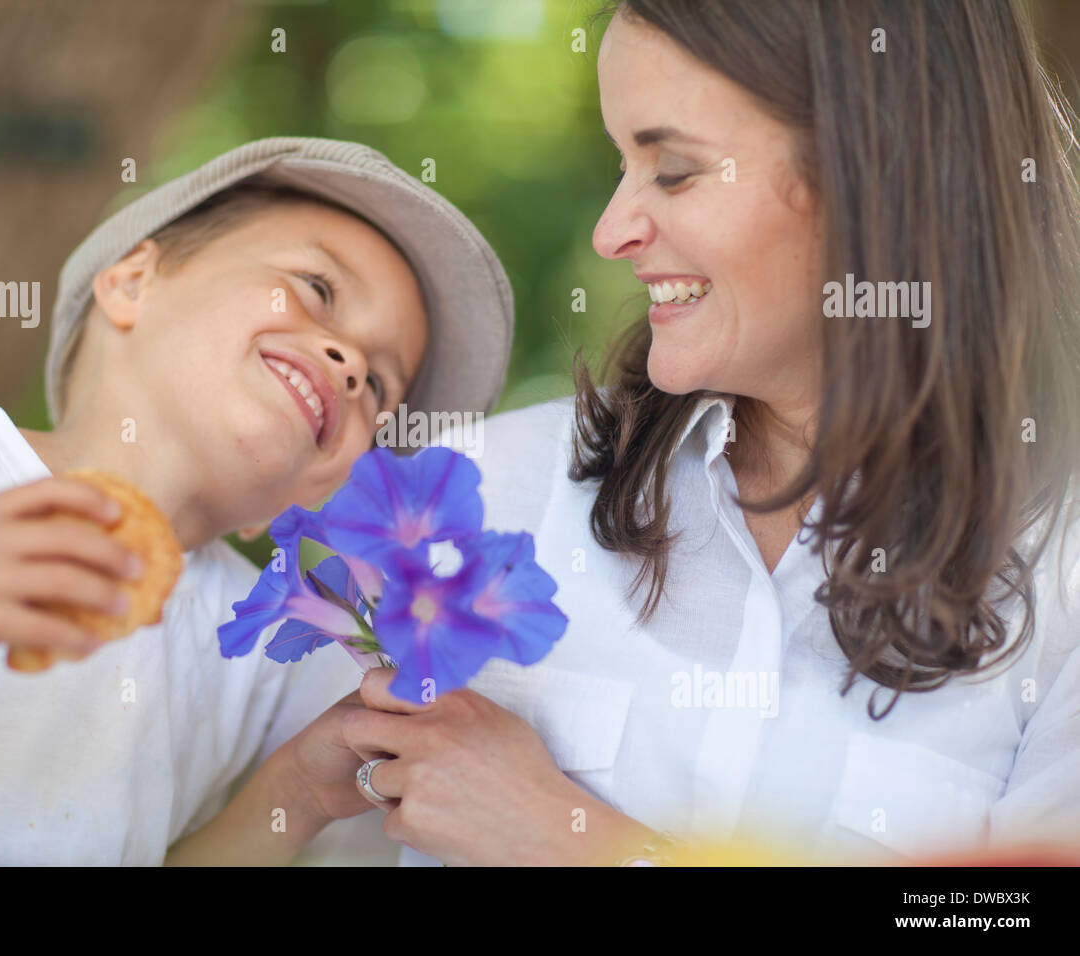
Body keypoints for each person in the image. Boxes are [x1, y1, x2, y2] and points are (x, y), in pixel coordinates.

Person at [253, 0, 1080, 866]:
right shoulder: (483, 492)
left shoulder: (1055, 589)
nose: (613, 232)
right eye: (622, 163)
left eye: (675, 170)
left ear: (879, 171)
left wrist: (577, 841)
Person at [0, 137, 514, 865]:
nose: (352, 363)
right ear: (132, 281)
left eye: (381, 389)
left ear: (313, 491)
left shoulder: (253, 654)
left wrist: (298, 795)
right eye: (318, 289)